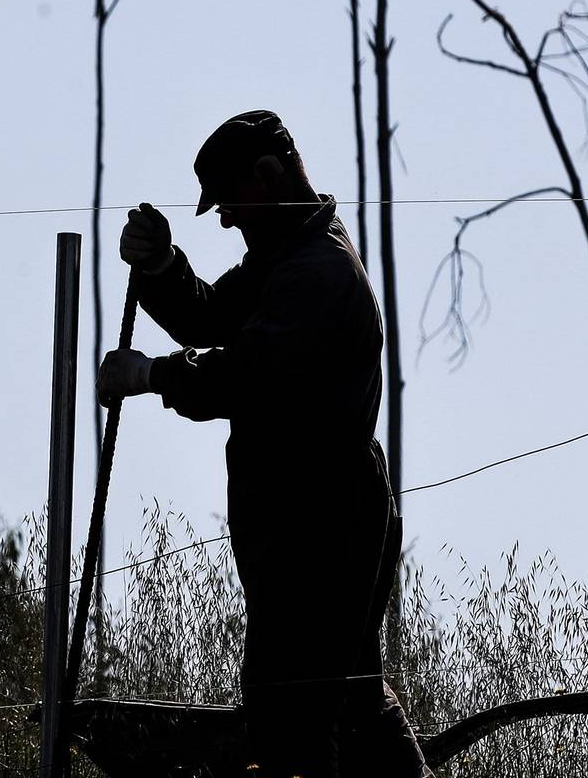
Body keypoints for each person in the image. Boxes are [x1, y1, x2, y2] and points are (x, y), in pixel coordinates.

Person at [97, 110, 431, 778]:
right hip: (313, 519)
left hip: (320, 525)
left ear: (268, 176)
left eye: (229, 204)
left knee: (291, 724)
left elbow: (243, 374)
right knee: (352, 701)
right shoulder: (287, 257)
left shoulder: (318, 274)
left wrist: (148, 374)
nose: (226, 221)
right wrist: (162, 264)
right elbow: (210, 315)